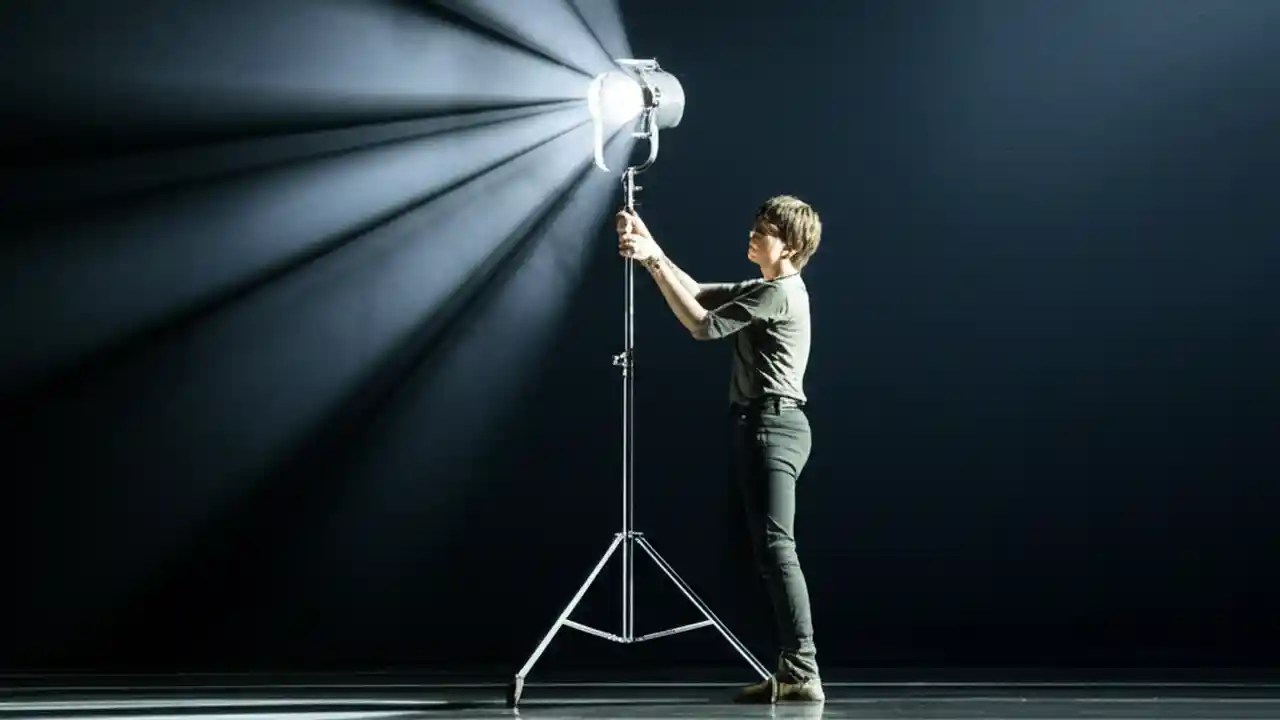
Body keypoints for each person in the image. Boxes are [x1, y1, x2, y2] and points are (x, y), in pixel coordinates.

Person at [615, 195, 824, 704]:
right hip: (769, 425)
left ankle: (803, 671)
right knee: (772, 551)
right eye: (756, 224)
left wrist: (651, 261)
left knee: (778, 550)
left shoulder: (780, 294)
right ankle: (795, 670)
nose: (754, 233)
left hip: (773, 426)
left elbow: (701, 325)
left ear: (791, 245)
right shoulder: (768, 288)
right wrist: (651, 247)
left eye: (766, 229)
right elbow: (701, 295)